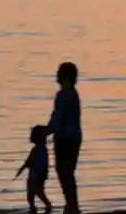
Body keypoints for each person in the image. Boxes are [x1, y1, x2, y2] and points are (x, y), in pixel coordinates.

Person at [47, 62, 83, 214]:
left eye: (59, 73)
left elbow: (58, 117)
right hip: (74, 137)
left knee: (64, 173)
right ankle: (72, 205)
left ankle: (71, 206)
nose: (57, 75)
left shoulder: (63, 95)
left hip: (65, 139)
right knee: (67, 173)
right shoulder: (73, 94)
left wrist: (47, 131)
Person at [15, 125, 53, 213]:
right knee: (35, 193)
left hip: (36, 175)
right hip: (37, 174)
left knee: (36, 193)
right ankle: (35, 208)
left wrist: (21, 169)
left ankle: (44, 207)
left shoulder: (37, 150)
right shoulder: (41, 149)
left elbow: (28, 162)